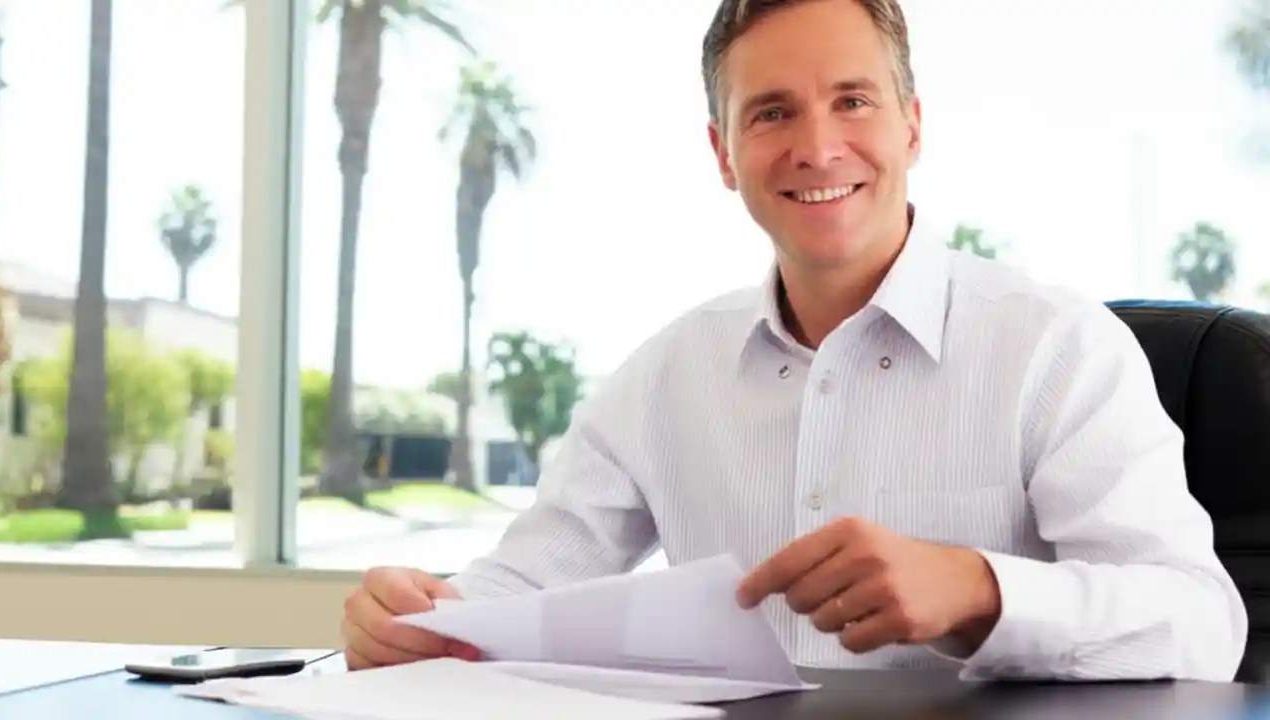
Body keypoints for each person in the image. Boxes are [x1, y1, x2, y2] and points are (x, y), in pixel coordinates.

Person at [341, 0, 1247, 681]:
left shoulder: (1060, 349)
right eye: (771, 113)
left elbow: (1203, 625)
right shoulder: (666, 374)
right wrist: (422, 616)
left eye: (852, 100)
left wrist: (977, 589)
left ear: (912, 125)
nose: (817, 147)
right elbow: (524, 587)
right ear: (723, 152)